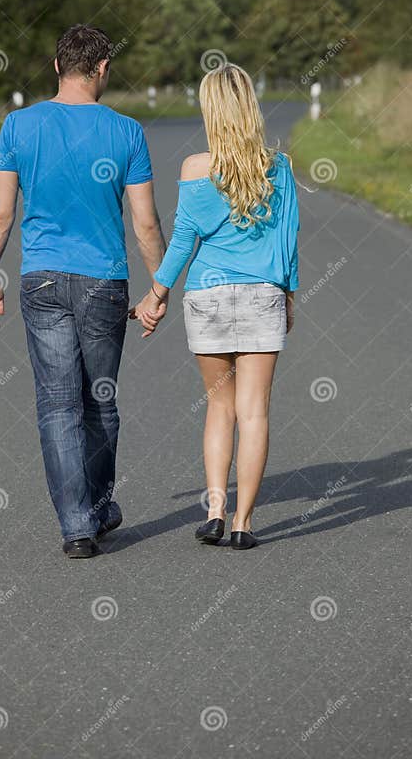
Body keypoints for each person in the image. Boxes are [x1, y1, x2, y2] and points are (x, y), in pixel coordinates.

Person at [0, 24, 166, 559]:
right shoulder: (126, 131)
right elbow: (146, 223)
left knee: (58, 404)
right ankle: (101, 505)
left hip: (42, 279)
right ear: (103, 68)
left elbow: (0, 210)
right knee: (99, 401)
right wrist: (160, 286)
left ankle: (78, 526)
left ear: (58, 67)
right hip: (104, 280)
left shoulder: (18, 125)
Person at [132, 63, 299, 550]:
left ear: (211, 112)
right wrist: (288, 297)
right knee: (255, 413)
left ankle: (214, 510)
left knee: (218, 408)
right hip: (263, 293)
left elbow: (183, 241)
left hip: (206, 296)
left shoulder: (194, 169)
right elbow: (288, 240)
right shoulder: (279, 168)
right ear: (250, 108)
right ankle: (245, 523)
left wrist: (155, 295)